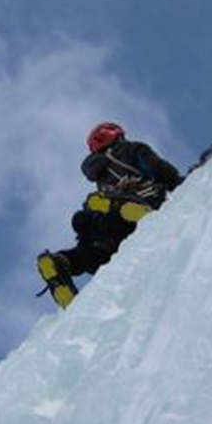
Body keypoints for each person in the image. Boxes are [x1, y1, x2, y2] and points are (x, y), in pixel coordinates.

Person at [37, 122, 183, 309]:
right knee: (139, 208)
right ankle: (126, 209)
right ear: (118, 134)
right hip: (139, 201)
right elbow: (159, 170)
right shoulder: (131, 149)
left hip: (104, 219)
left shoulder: (98, 172)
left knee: (102, 251)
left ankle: (62, 262)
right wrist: (182, 182)